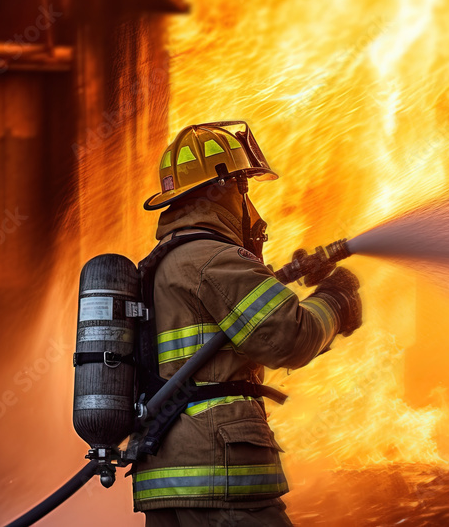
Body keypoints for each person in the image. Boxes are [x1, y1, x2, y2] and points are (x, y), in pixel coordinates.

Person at [133, 121, 362, 526]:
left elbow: (235, 325)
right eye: (245, 187)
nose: (249, 203)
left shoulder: (171, 261)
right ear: (225, 187)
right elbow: (289, 337)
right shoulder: (212, 259)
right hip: (219, 470)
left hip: (169, 474)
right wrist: (336, 301)